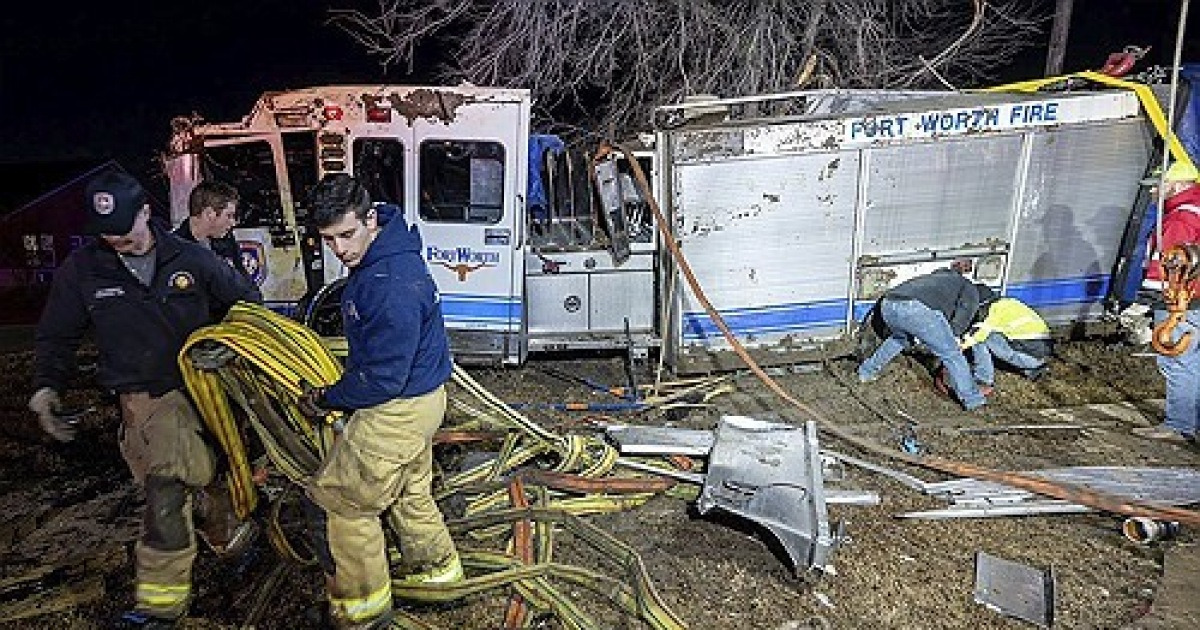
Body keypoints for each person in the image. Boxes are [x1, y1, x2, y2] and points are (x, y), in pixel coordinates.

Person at [27, 171, 261, 627]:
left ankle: (166, 600)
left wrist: (228, 341)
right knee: (176, 481)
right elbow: (56, 336)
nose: (118, 242)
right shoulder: (83, 272)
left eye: (125, 230)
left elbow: (245, 301)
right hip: (141, 401)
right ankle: (216, 552)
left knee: (177, 483)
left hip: (201, 391)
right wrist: (44, 387)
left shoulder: (191, 259)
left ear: (146, 212)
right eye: (107, 235)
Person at [299, 173, 461, 629]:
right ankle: (439, 577)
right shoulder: (385, 257)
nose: (341, 250)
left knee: (341, 503)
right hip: (423, 400)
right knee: (411, 494)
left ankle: (363, 614)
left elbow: (383, 377)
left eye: (347, 235)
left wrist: (329, 398)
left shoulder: (389, 282)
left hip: (397, 407)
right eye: (329, 240)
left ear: (371, 219)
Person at [857, 262, 987, 410]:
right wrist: (955, 337)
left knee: (900, 339)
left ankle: (866, 372)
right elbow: (964, 313)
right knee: (953, 355)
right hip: (916, 308)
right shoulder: (968, 287)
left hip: (888, 304)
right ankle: (974, 401)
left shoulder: (934, 281)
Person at [1134, 160, 1200, 443]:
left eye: (1160, 186)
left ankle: (1179, 425)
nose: (1153, 193)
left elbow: (1165, 266)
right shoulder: (1194, 212)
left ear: (1179, 186)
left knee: (1177, 361)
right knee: (1192, 361)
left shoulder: (1178, 220)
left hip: (1179, 303)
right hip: (1194, 299)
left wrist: (1145, 302)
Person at [959, 286, 1052, 392]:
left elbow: (977, 335)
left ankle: (983, 381)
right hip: (1042, 348)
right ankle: (1032, 369)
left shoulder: (993, 311)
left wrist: (958, 349)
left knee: (980, 340)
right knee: (994, 336)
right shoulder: (1007, 303)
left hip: (1032, 354)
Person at [173, 181, 249, 277]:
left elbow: (245, 284)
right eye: (228, 216)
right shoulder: (173, 250)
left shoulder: (227, 241)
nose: (233, 223)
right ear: (209, 214)